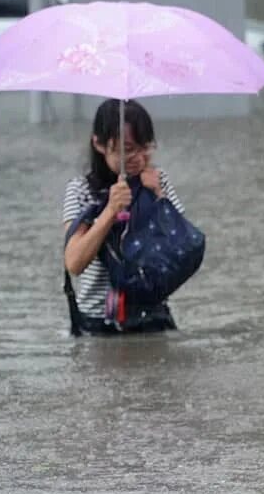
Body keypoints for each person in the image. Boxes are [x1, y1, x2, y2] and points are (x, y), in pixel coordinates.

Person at [61, 99, 184, 335]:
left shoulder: (158, 181)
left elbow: (180, 247)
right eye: (127, 149)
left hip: (151, 315)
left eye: (145, 146)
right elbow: (74, 262)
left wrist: (158, 197)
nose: (138, 157)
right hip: (99, 323)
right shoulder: (81, 190)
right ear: (98, 143)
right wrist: (110, 211)